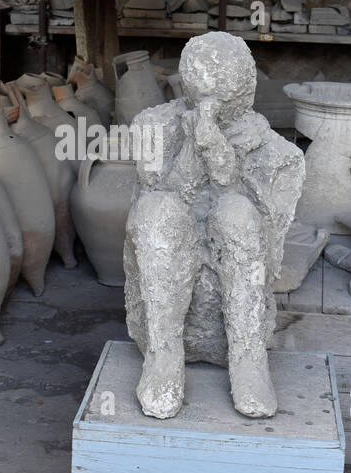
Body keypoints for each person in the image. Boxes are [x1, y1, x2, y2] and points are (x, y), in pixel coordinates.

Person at [124, 32, 304, 419]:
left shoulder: (276, 151)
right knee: (158, 211)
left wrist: (228, 157)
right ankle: (164, 356)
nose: (213, 107)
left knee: (236, 213)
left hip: (233, 261)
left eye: (223, 99)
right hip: (172, 259)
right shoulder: (153, 126)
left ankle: (248, 359)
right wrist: (195, 145)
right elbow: (154, 196)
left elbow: (270, 236)